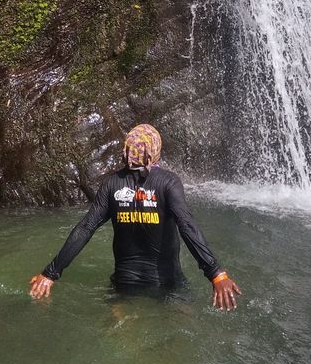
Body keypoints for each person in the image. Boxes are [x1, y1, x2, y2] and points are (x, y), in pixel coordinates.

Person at [29, 124, 242, 310]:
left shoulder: (111, 184)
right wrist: (216, 273)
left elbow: (85, 228)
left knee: (121, 337)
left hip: (124, 285)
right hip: (167, 283)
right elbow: (187, 226)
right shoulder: (168, 182)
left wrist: (50, 274)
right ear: (155, 150)